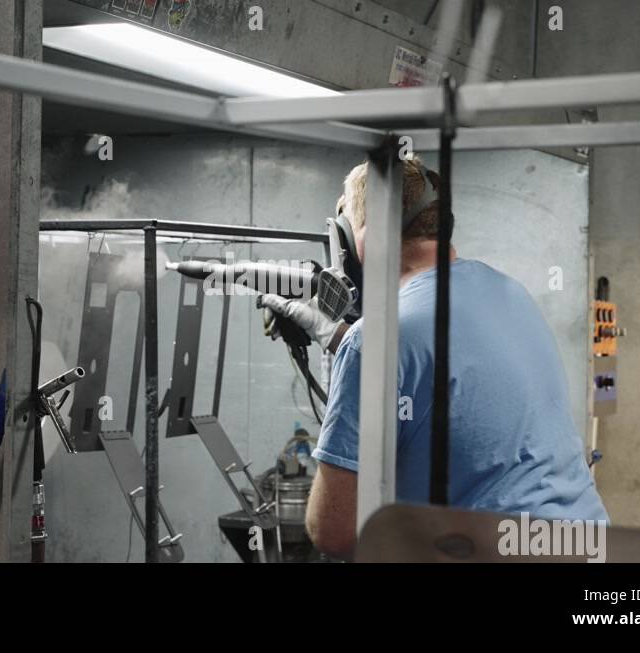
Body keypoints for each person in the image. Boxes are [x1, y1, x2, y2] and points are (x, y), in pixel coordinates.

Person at [260, 158, 608, 560]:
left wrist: (359, 345)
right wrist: (342, 339)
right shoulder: (511, 294)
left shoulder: (375, 340)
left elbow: (334, 533)